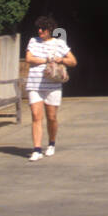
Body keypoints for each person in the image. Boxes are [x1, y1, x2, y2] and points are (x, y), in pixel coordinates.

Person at [24, 15, 77, 162]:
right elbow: (29, 58)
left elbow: (73, 61)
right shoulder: (33, 41)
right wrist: (46, 60)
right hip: (34, 85)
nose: (40, 31)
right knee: (36, 116)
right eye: (38, 28)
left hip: (53, 86)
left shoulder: (59, 44)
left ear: (50, 30)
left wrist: (61, 59)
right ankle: (36, 149)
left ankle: (51, 143)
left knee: (51, 117)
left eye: (43, 29)